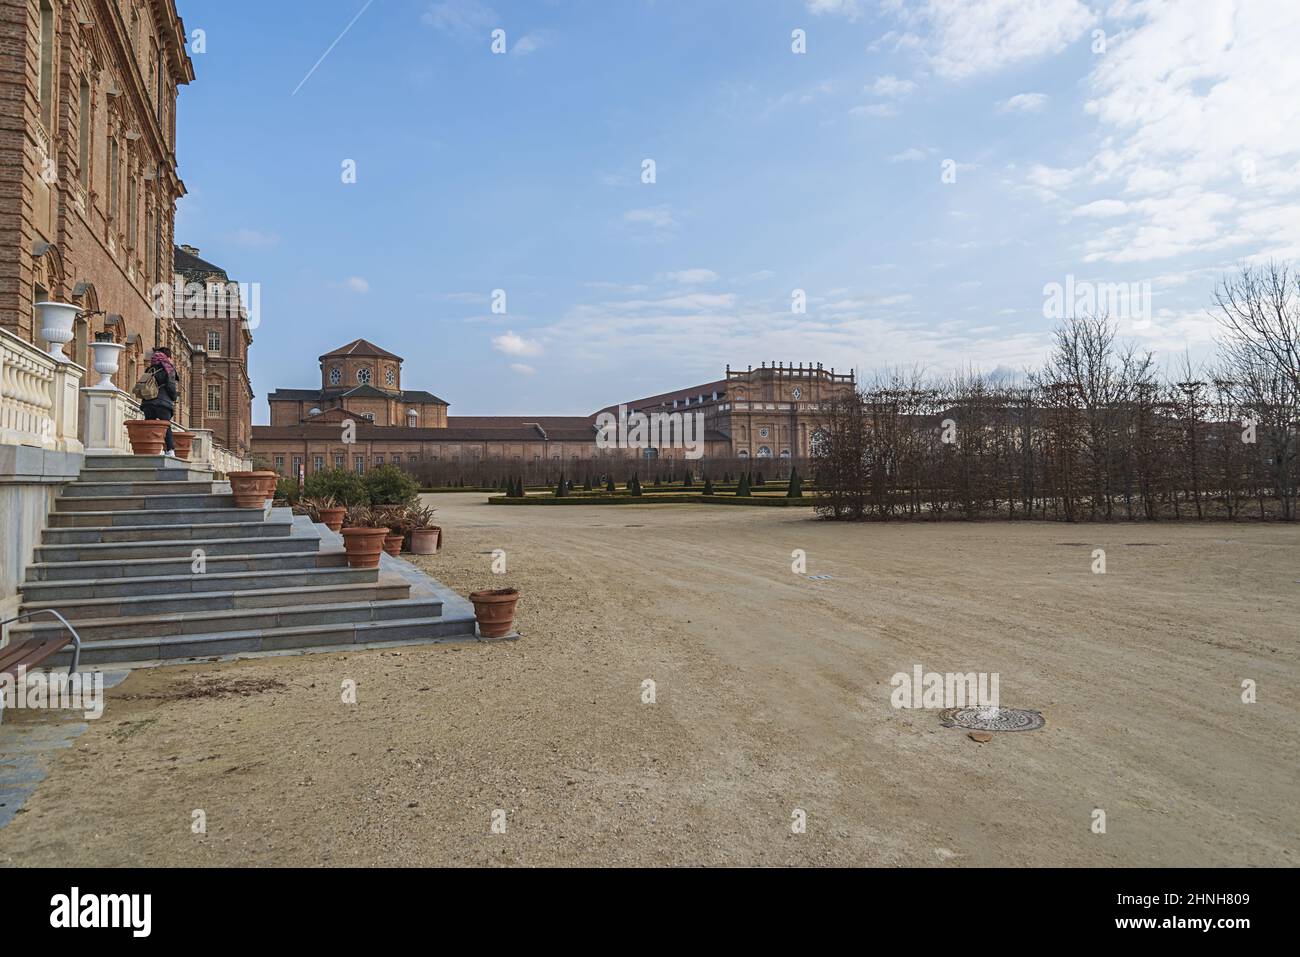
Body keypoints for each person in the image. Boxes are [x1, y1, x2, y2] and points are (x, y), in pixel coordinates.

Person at [141, 347, 179, 456]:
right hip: (163, 403)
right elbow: (170, 386)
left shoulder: (150, 369)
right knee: (166, 426)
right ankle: (170, 450)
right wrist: (174, 397)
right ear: (168, 357)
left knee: (150, 426)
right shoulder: (168, 368)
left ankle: (151, 450)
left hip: (148, 402)